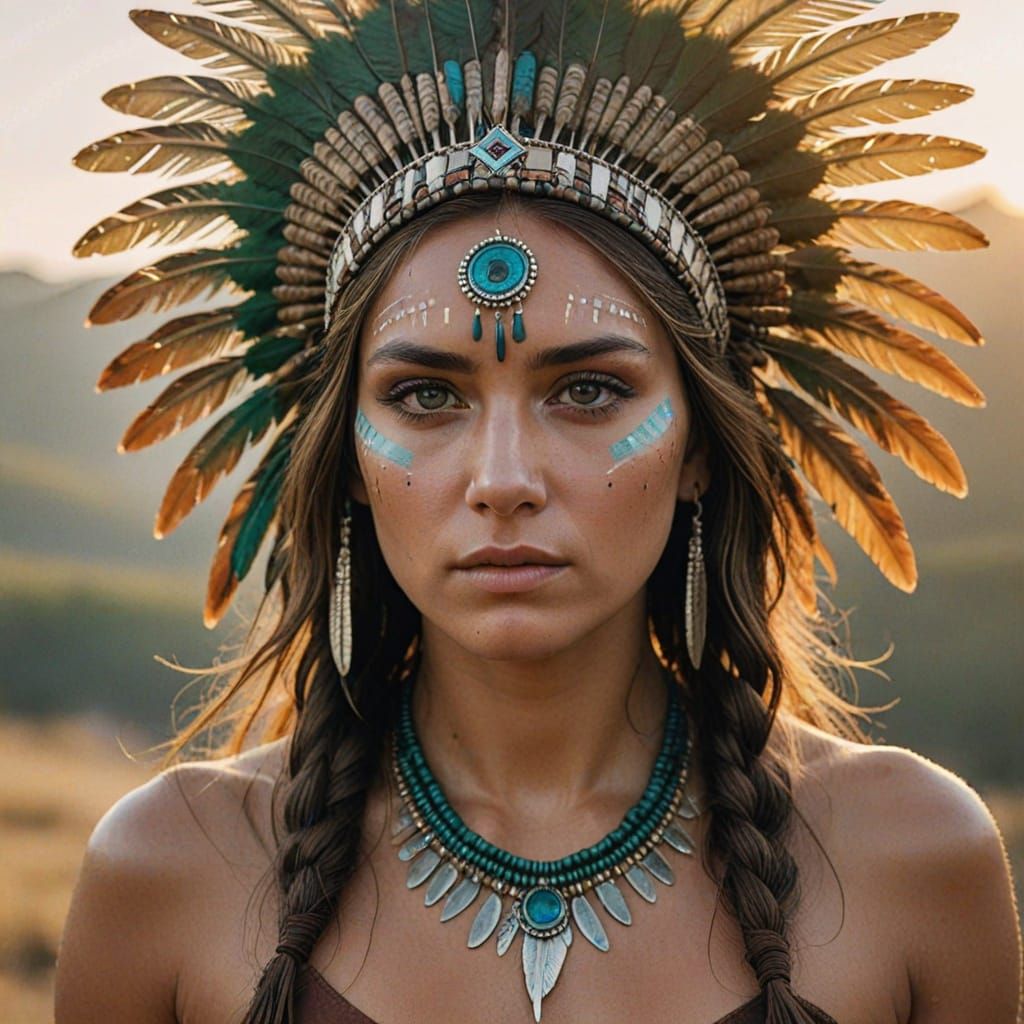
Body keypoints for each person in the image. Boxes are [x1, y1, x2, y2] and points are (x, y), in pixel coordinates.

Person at [54, 2, 1021, 1022]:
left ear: (695, 448)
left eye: (588, 391)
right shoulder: (169, 872)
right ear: (345, 456)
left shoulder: (914, 860)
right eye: (426, 396)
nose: (503, 478)